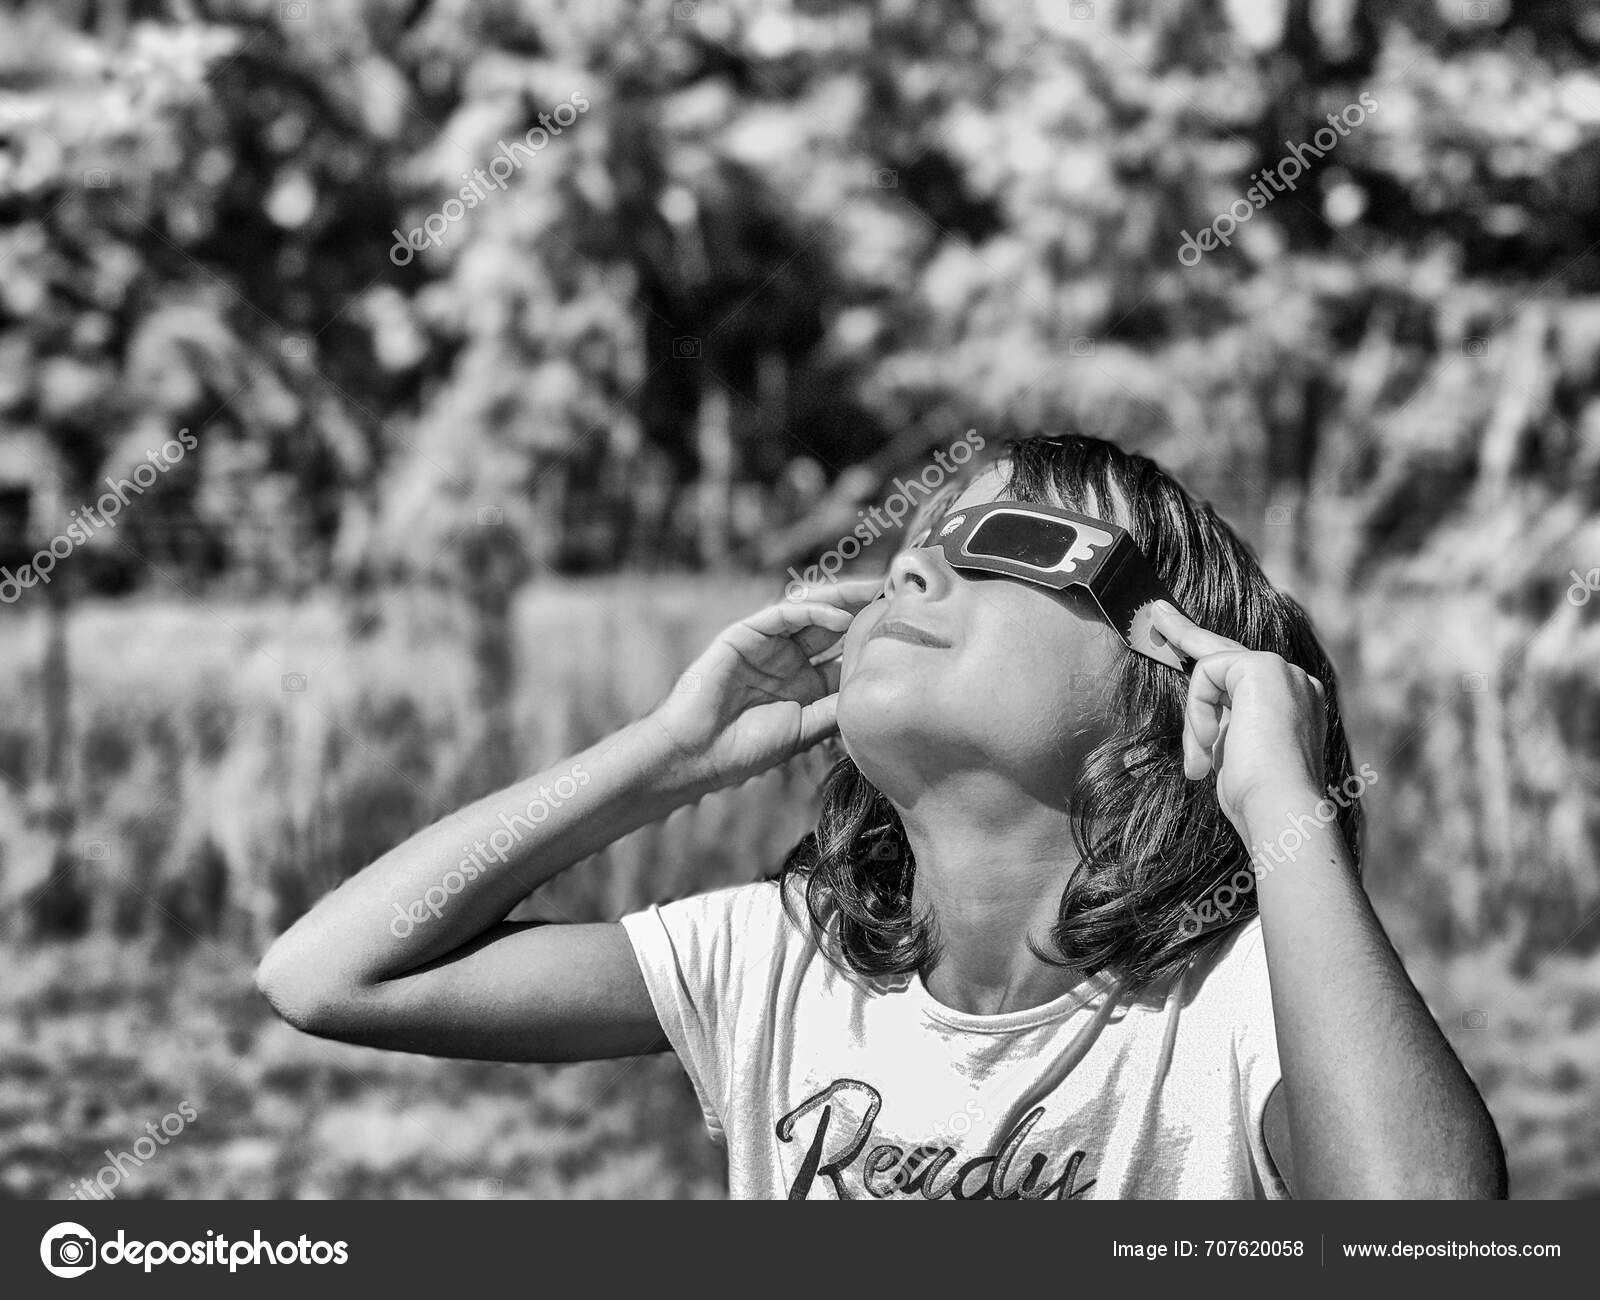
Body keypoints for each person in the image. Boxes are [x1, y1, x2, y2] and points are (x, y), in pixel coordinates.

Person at [255, 431, 1508, 1200]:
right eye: (917, 544)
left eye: (1003, 540)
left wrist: (1281, 803)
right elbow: (327, 975)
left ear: (1168, 682)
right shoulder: (782, 963)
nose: (909, 566)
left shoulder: (1236, 1002)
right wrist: (665, 757)